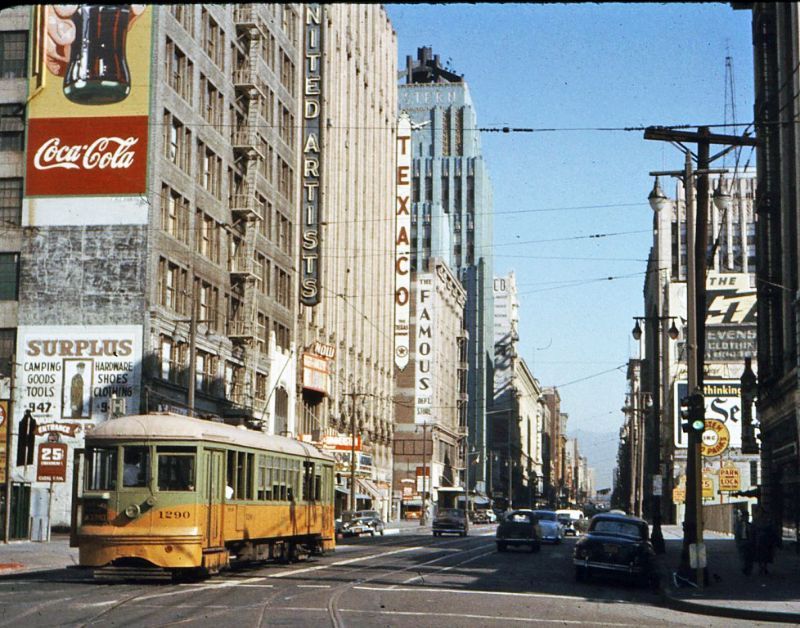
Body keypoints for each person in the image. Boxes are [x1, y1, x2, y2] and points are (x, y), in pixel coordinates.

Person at [753, 506, 779, 575]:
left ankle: (764, 567)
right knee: (760, 554)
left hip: (766, 540)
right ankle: (761, 567)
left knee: (766, 554)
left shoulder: (767, 520)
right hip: (759, 540)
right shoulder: (756, 520)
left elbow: (771, 530)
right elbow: (753, 529)